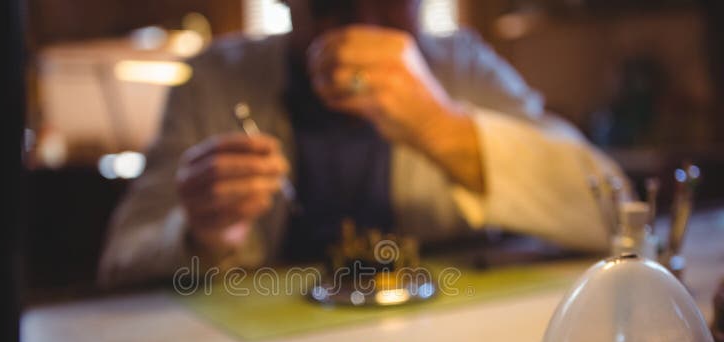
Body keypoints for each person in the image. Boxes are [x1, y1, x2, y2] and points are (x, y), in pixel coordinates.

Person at [98, 0, 624, 288]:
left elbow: (613, 209)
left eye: (391, 5)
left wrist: (438, 123)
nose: (362, 26)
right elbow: (120, 263)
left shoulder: (462, 66)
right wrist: (201, 234)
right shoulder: (214, 81)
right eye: (333, 5)